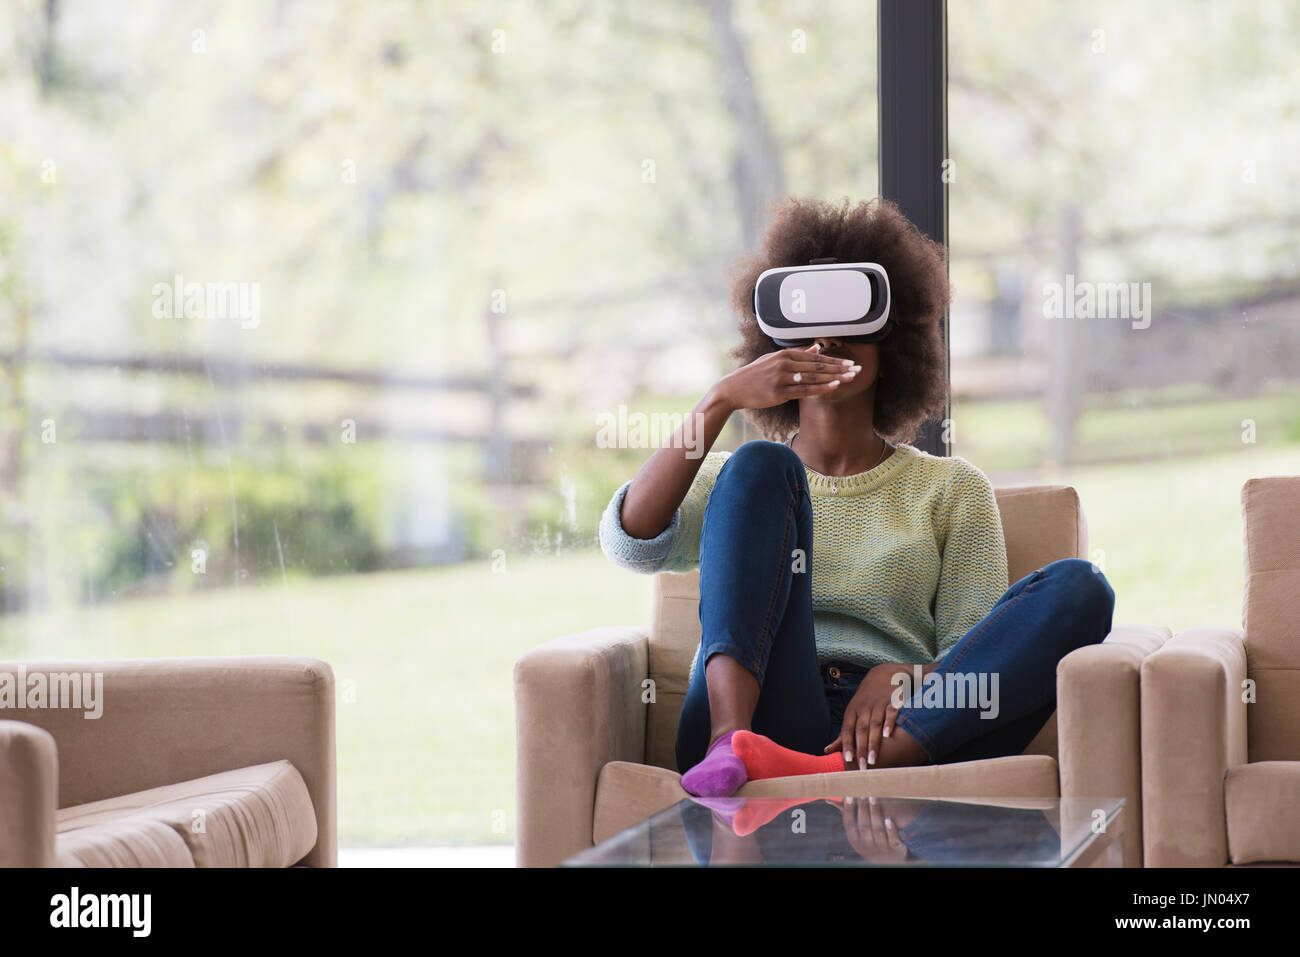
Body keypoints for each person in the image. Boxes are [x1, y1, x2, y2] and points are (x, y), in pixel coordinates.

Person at [597, 196, 1115, 798]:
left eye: (852, 317)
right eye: (809, 319)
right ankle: (730, 746)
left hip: (893, 723)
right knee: (760, 462)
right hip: (765, 705)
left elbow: (974, 655)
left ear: (895, 339)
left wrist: (905, 677)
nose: (830, 339)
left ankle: (837, 772)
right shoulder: (740, 481)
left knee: (1082, 587)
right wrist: (719, 401)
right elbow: (630, 543)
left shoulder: (949, 489)